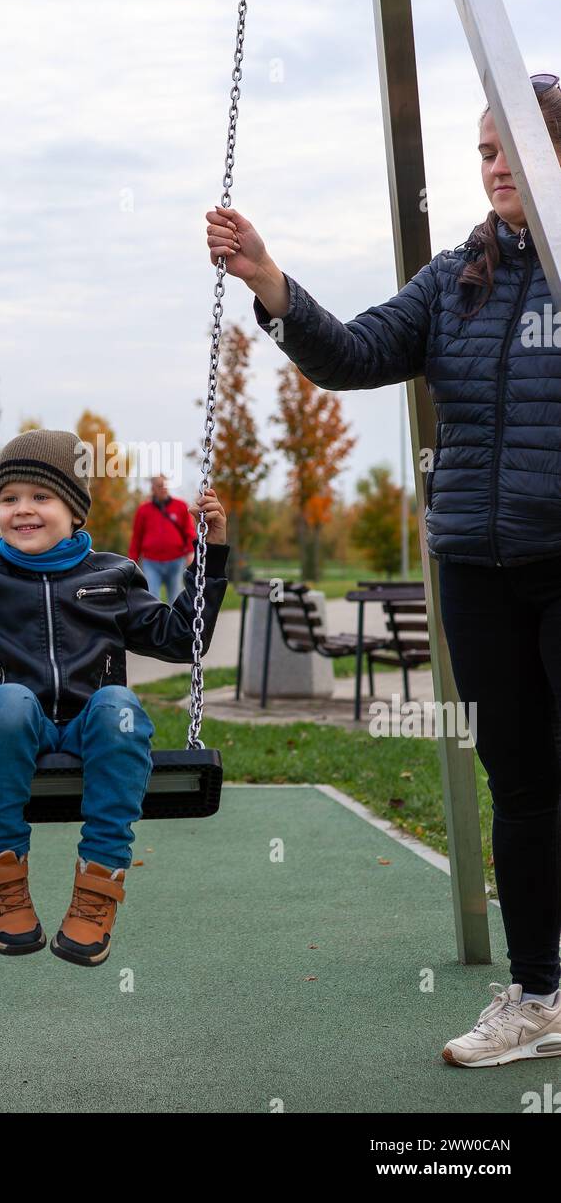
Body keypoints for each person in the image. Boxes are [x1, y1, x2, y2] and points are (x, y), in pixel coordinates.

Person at [205, 72, 561, 1068]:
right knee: (521, 784)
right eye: (483, 147)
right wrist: (269, 280)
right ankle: (537, 994)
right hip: (475, 567)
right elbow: (351, 352)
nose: (494, 163)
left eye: (514, 145)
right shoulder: (457, 279)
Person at [0, 428, 228, 968]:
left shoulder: (113, 576)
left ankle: (97, 889)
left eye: (41, 497)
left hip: (93, 729)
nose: (23, 510)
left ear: (75, 509)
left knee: (118, 706)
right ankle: (4, 881)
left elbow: (185, 637)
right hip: (19, 732)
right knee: (8, 700)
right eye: (9, 499)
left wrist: (211, 552)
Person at [128, 474, 197, 605]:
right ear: (152, 489)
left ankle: (175, 625)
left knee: (175, 598)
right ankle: (155, 625)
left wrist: (190, 551)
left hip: (176, 561)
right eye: (159, 486)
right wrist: (132, 561)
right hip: (151, 562)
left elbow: (189, 531)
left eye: (165, 485)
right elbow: (137, 538)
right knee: (151, 598)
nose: (163, 488)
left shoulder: (181, 506)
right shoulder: (143, 510)